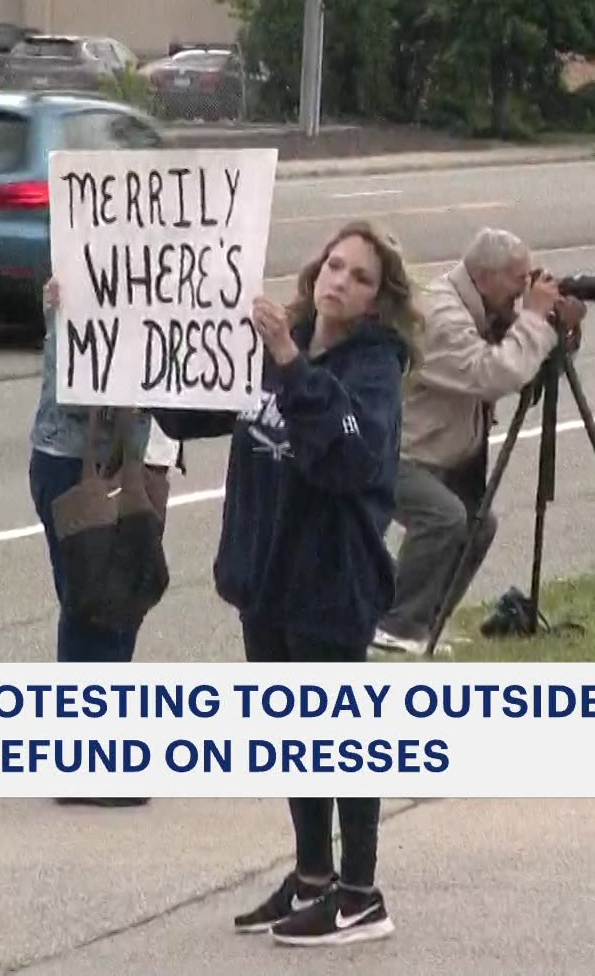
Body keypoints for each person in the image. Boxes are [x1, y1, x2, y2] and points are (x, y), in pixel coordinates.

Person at [153, 220, 423, 947]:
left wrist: (289, 360)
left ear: (377, 300)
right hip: (265, 576)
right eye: (333, 265)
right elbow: (189, 409)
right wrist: (114, 339)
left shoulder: (372, 367)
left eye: (360, 277)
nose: (339, 281)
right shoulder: (279, 350)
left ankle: (361, 895)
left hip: (329, 581)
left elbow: (350, 459)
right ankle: (312, 877)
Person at [371, 227, 582, 654]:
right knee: (445, 517)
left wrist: (562, 335)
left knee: (477, 524)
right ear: (485, 277)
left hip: (435, 451)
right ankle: (393, 625)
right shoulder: (441, 314)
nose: (525, 290)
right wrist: (534, 320)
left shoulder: (482, 307)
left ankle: (424, 626)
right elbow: (492, 375)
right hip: (392, 450)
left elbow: (524, 366)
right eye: (518, 280)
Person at [29, 284, 181, 809]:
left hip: (143, 460)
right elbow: (72, 389)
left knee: (120, 598)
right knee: (97, 601)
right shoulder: (82, 276)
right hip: (80, 459)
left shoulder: (173, 273)